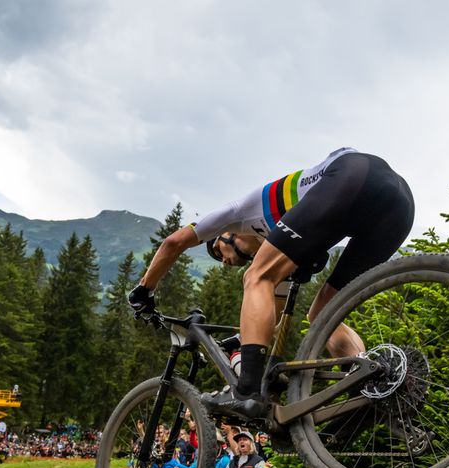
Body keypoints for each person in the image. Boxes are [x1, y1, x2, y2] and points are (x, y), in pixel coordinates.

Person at [129, 148, 415, 420]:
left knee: (255, 276)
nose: (224, 261)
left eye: (217, 251)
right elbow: (271, 321)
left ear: (225, 234)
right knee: (322, 314)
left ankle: (246, 393)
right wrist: (242, 342)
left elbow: (173, 242)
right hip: (398, 205)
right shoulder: (279, 250)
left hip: (354, 173)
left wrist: (144, 289)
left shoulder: (237, 212)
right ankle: (371, 386)